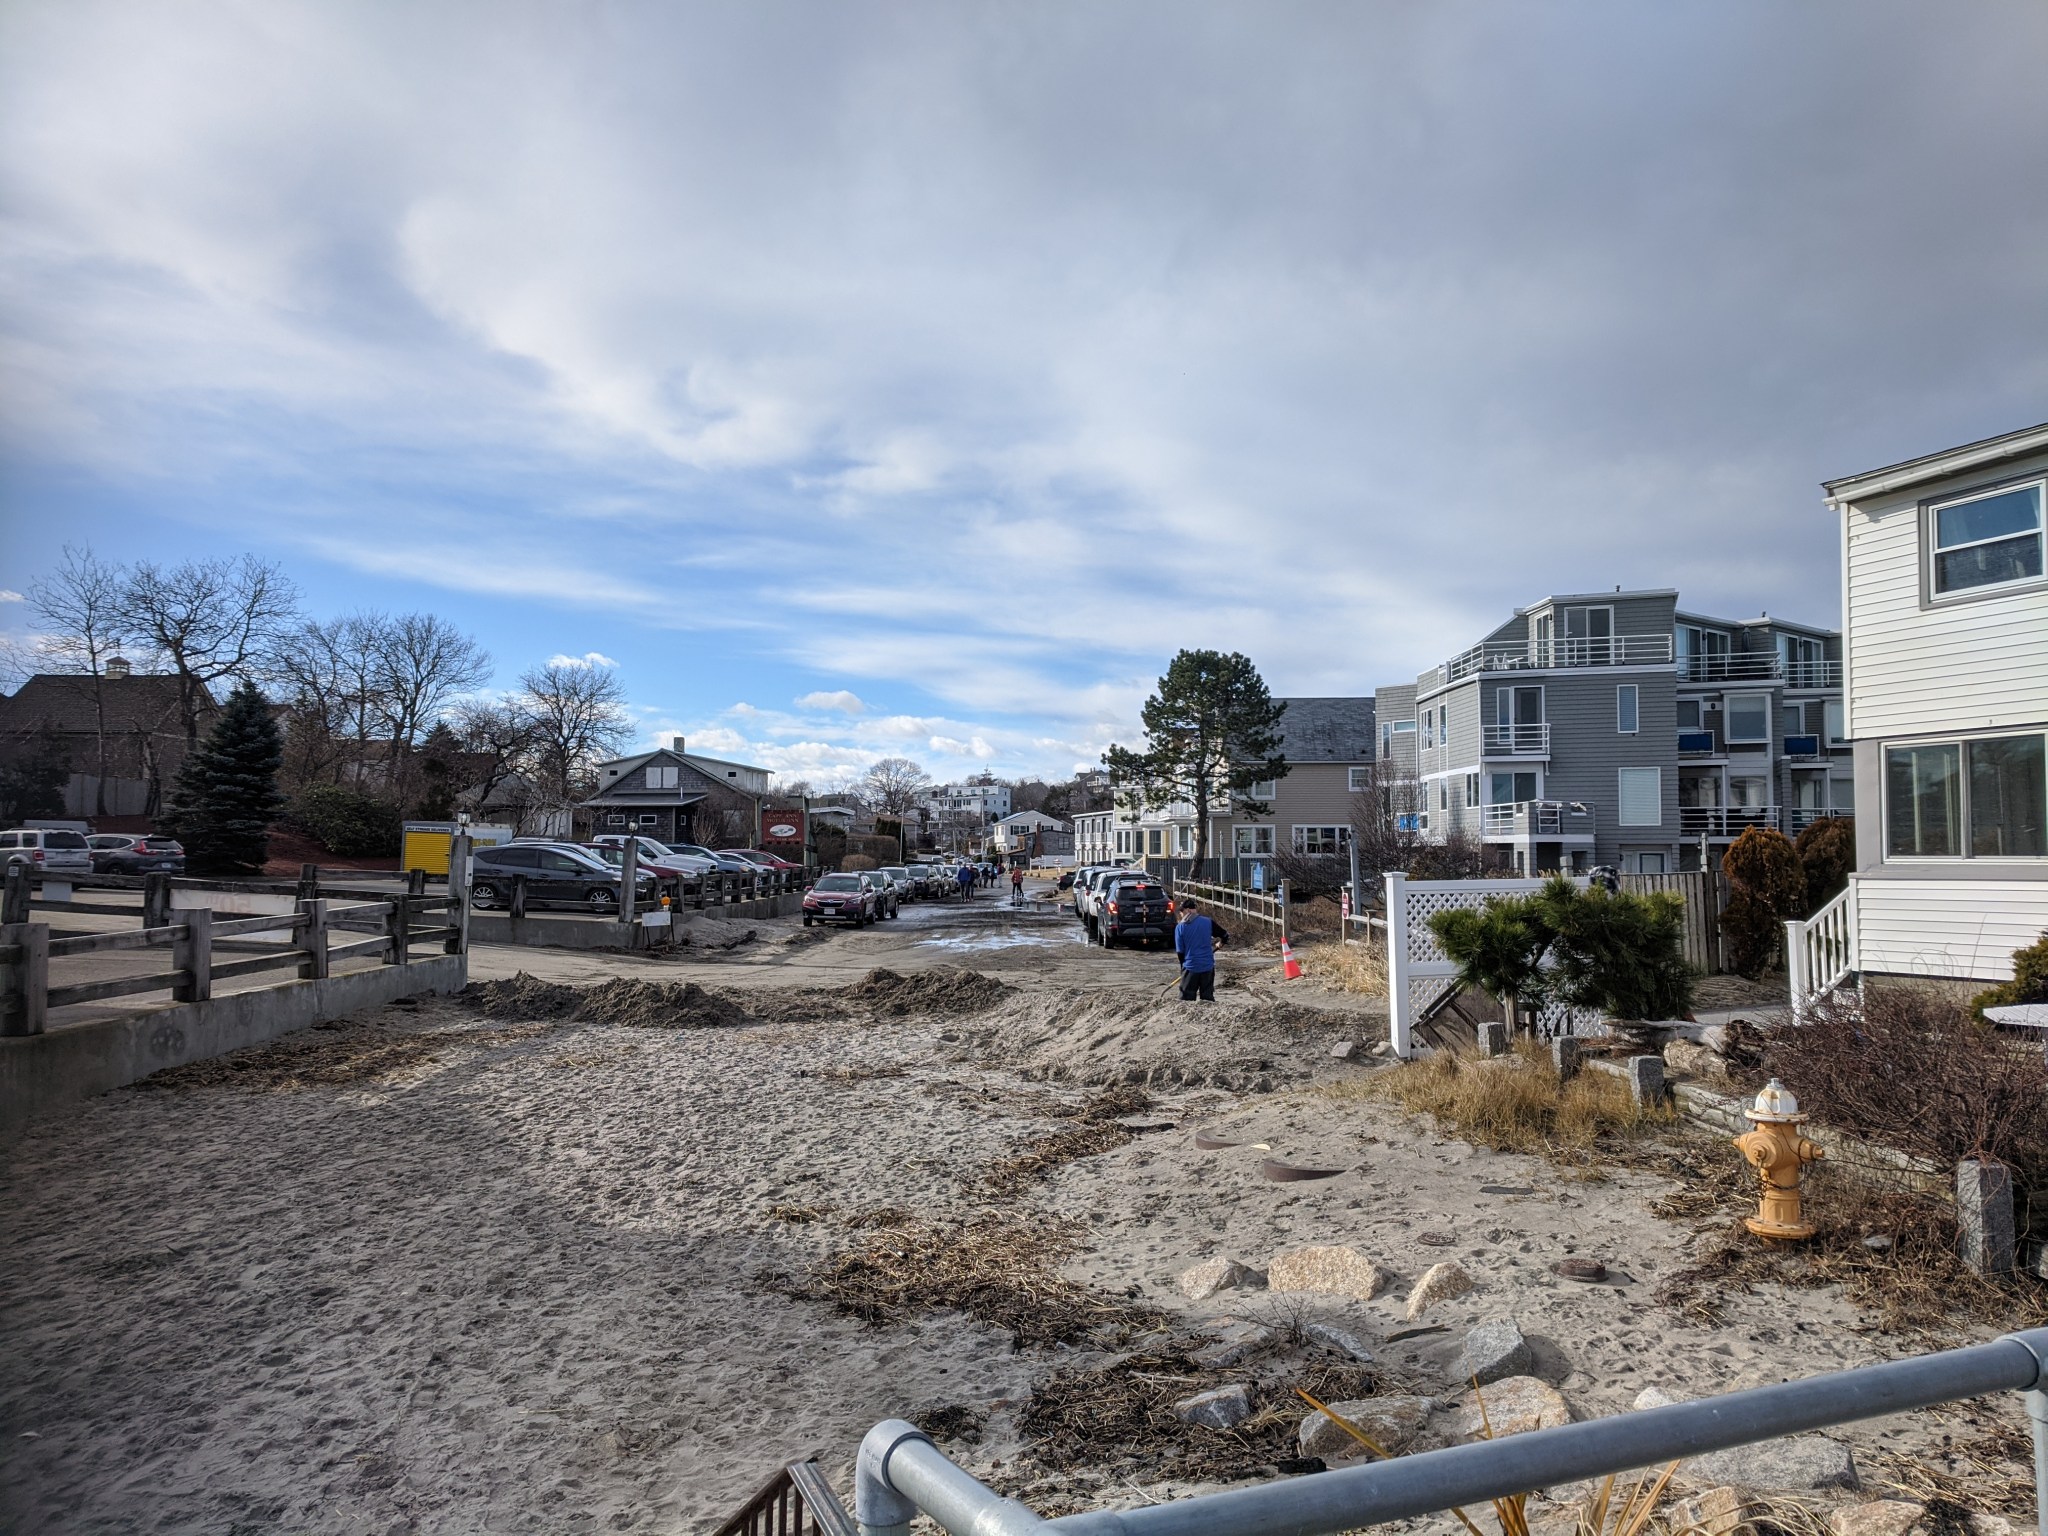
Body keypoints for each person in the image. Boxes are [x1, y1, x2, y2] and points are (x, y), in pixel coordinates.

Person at [1173, 896, 1229, 1002]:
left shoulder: (1180, 927)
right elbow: (1225, 935)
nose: (1180, 914)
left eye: (1181, 911)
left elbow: (1180, 952)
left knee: (1186, 1001)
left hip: (1190, 967)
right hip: (1207, 966)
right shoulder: (1208, 922)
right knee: (1207, 999)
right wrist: (1221, 943)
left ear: (1188, 910)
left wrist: (1182, 970)